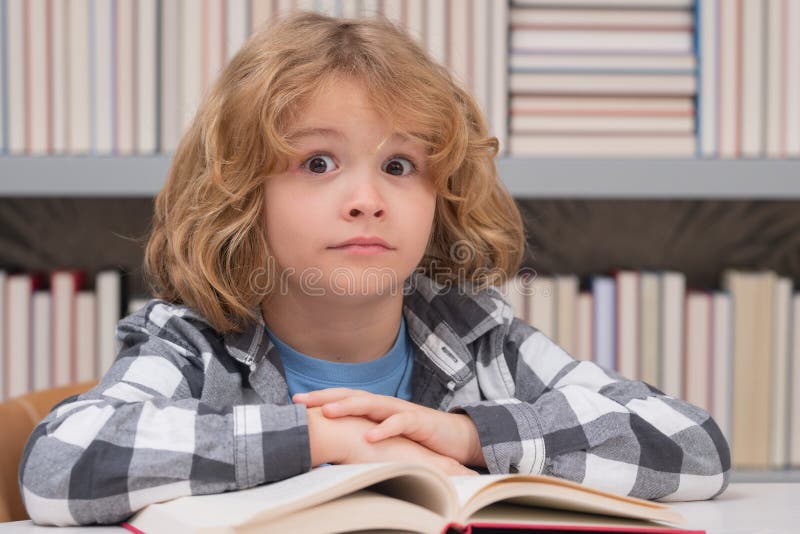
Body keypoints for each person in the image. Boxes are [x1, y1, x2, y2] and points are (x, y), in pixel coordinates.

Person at [19, 11, 730, 526]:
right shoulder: (194, 343)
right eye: (317, 163)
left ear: (439, 196)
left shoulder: (477, 338)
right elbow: (58, 466)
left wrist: (473, 436)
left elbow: (695, 445)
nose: (366, 201)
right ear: (242, 195)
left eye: (399, 166)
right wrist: (321, 440)